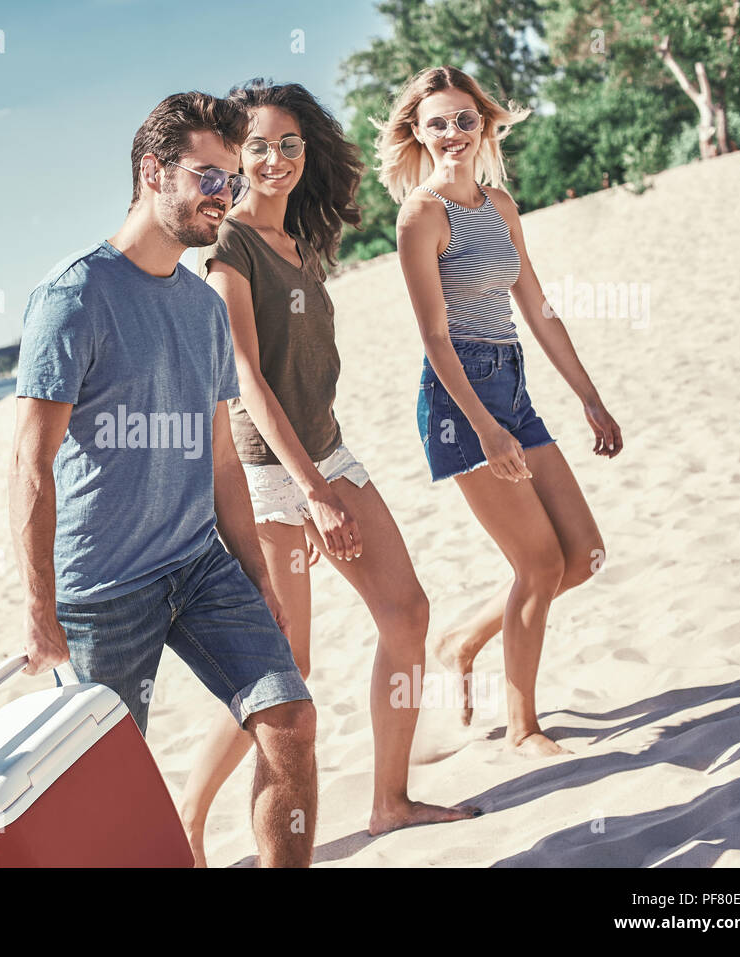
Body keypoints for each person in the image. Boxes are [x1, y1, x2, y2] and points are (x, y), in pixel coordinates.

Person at [9, 92, 318, 867]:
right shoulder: (74, 296)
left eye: (233, 184)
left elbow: (221, 459)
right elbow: (29, 464)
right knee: (106, 797)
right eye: (211, 179)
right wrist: (39, 608)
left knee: (288, 718)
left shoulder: (202, 304)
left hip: (198, 564)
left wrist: (258, 579)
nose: (229, 197)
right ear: (154, 173)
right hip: (102, 590)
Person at [180, 79, 477, 866]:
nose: (274, 159)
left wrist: (324, 474)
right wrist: (311, 492)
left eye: (289, 144)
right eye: (256, 146)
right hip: (271, 472)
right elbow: (245, 374)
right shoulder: (230, 246)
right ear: (233, 158)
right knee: (283, 666)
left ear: (306, 151)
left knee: (406, 611)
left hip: (329, 448)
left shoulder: (298, 244)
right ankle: (185, 820)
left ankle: (388, 800)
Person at [381, 67, 622, 755]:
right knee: (540, 564)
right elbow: (433, 333)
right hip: (461, 399)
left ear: (484, 124)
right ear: (417, 134)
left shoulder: (501, 204)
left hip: (511, 383)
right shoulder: (420, 215)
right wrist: (486, 429)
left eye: (464, 120)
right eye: (437, 123)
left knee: (584, 554)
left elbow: (536, 307)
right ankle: (523, 728)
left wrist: (588, 394)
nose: (453, 133)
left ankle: (464, 639)